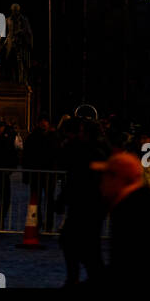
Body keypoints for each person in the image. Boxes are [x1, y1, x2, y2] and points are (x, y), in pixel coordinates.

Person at [92, 151, 150, 289]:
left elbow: (127, 264)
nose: (101, 183)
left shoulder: (131, 208)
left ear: (119, 179)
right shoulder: (141, 201)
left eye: (105, 177)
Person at [58, 118, 107, 286]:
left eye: (81, 131)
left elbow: (77, 177)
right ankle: (82, 277)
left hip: (86, 204)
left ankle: (81, 278)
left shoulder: (88, 150)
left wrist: (62, 199)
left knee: (77, 243)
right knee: (84, 245)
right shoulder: (97, 149)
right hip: (92, 204)